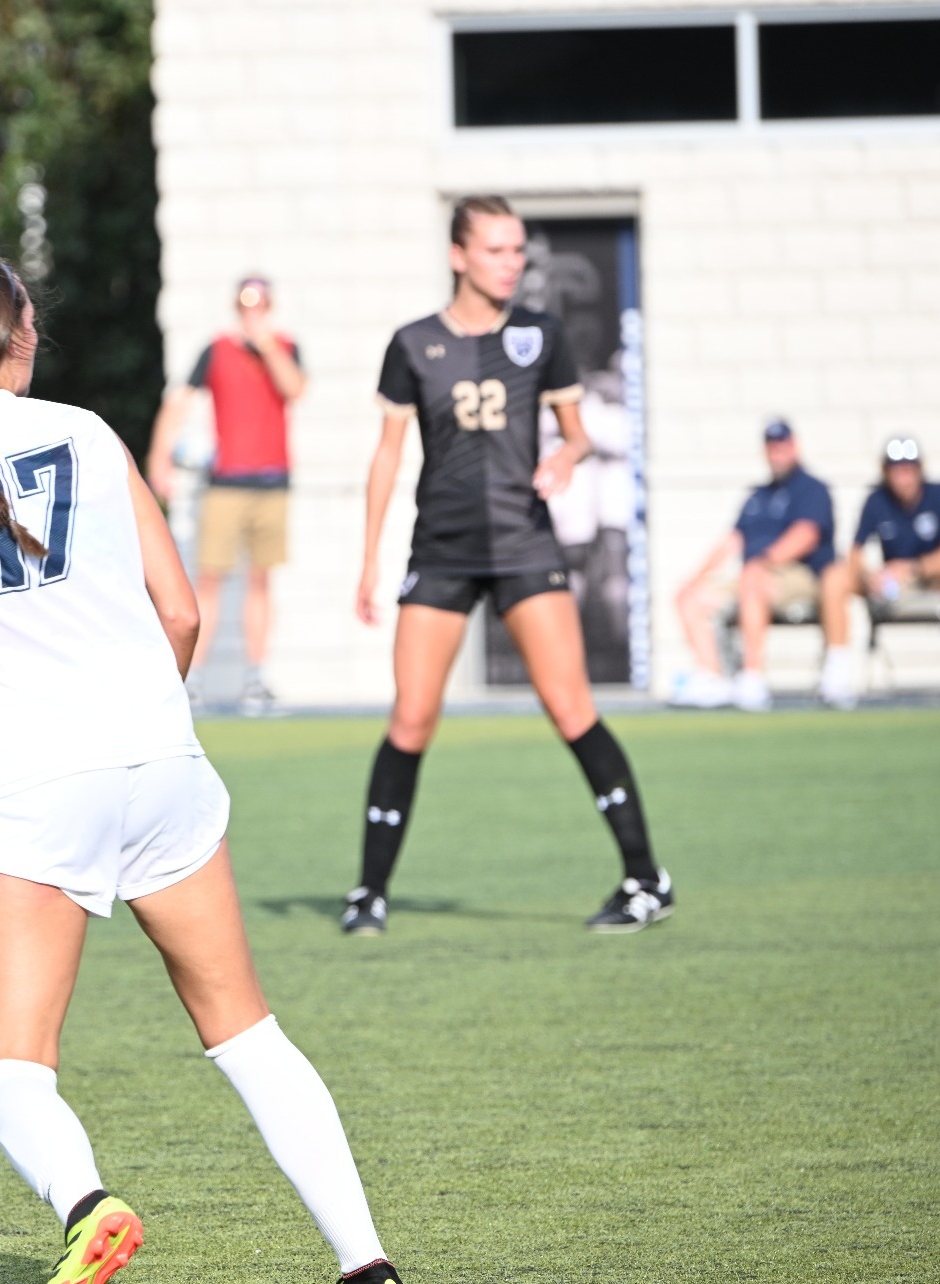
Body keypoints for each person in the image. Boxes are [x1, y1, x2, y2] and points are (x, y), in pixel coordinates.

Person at [0, 251, 415, 1284]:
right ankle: (373, 1280)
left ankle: (88, 1205)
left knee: (12, 1068)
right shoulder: (93, 434)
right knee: (247, 1034)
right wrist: (142, 721)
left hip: (35, 785)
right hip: (164, 766)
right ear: (24, 333)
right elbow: (182, 615)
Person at [351, 195, 672, 936]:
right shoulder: (413, 343)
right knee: (411, 717)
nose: (511, 262)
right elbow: (388, 455)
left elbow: (578, 435)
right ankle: (368, 892)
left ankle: (646, 879)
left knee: (571, 708)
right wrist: (368, 562)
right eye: (496, 249)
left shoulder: (540, 335)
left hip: (524, 545)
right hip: (441, 550)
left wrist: (564, 455)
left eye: (517, 249)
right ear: (459, 255)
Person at [146, 276, 306, 715]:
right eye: (245, 306)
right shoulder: (216, 350)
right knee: (210, 580)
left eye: (260, 306)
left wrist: (267, 345)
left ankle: (255, 679)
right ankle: (192, 678)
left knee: (261, 579)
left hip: (272, 482)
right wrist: (160, 458)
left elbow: (295, 390)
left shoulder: (285, 347)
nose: (252, 314)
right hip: (226, 482)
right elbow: (178, 402)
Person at [670, 419, 848, 711]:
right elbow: (731, 541)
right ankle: (712, 677)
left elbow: (805, 536)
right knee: (688, 597)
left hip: (797, 577)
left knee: (753, 575)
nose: (777, 452)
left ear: (794, 446)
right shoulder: (757, 495)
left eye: (782, 445)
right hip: (751, 577)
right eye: (771, 447)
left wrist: (764, 562)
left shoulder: (811, 489)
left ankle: (753, 677)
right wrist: (696, 577)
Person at [821, 435, 940, 708]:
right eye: (896, 469)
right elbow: (855, 552)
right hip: (889, 585)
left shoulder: (938, 495)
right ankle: (836, 674)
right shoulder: (876, 499)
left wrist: (913, 568)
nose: (903, 476)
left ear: (920, 469)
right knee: (835, 577)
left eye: (909, 468)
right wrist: (870, 576)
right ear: (886, 471)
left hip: (929, 577)